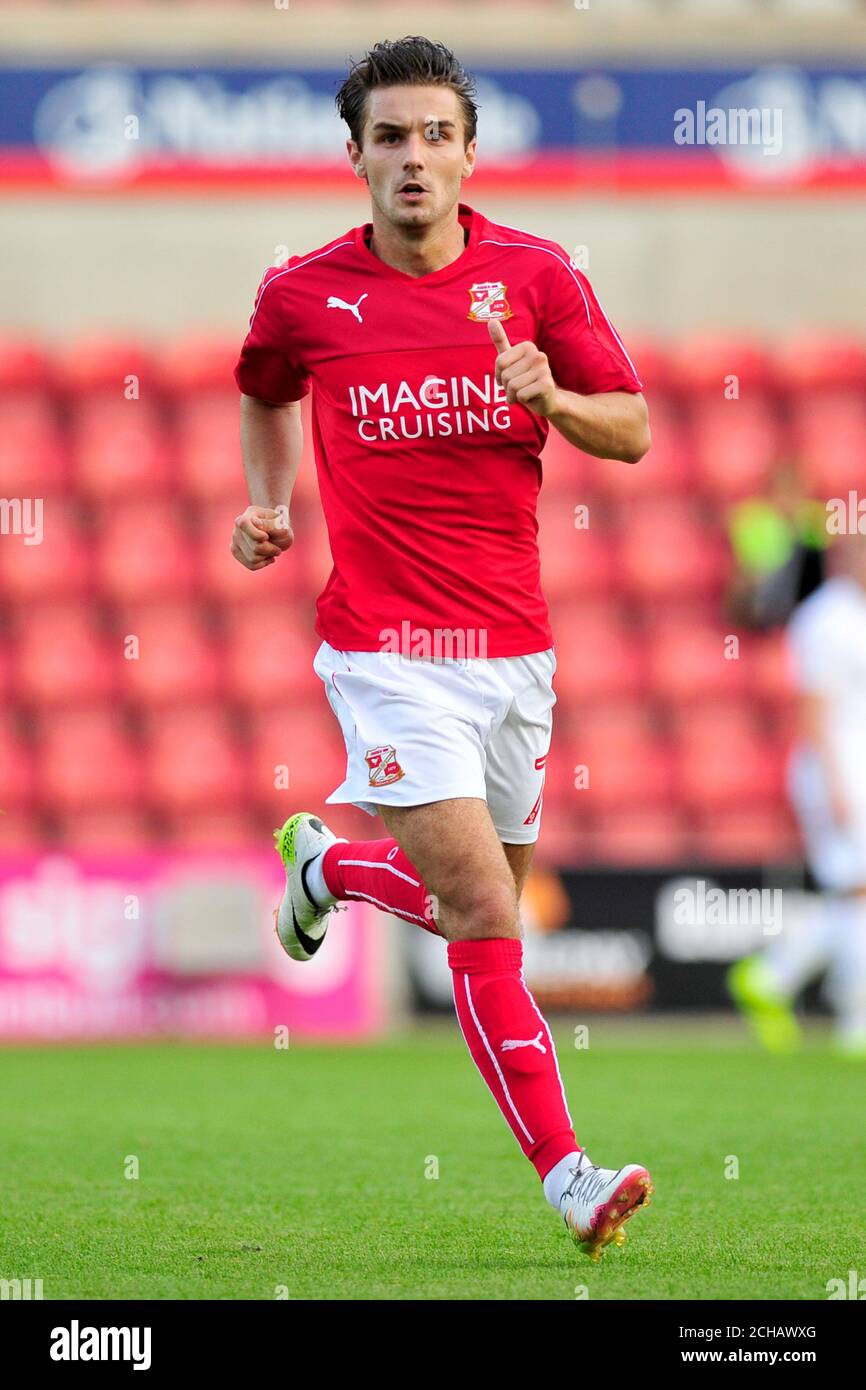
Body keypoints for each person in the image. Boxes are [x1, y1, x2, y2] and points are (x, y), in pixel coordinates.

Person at [231, 36, 653, 1258]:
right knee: (482, 912)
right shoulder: (303, 293)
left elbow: (627, 431)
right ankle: (568, 1174)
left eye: (434, 135)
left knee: (482, 904)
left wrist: (552, 403)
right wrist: (270, 505)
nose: (412, 156)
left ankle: (326, 870)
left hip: (513, 651)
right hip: (384, 647)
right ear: (353, 154)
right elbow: (265, 390)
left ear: (468, 153)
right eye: (388, 136)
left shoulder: (536, 277)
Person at [728, 531, 866, 1058]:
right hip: (838, 770)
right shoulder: (827, 618)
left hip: (852, 768)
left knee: (852, 894)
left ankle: (772, 975)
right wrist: (834, 784)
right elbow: (814, 710)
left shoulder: (850, 614)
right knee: (857, 892)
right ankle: (853, 1020)